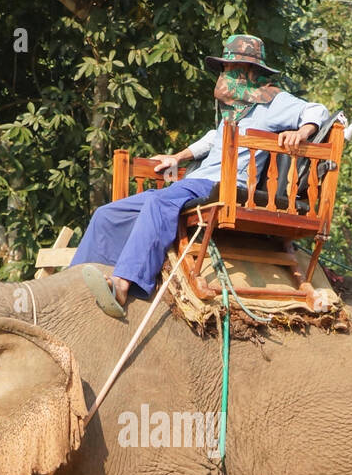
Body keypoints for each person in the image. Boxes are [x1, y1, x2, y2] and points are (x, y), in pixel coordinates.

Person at [73, 34, 330, 317]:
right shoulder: (236, 109)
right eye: (224, 68)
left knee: (158, 203)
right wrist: (177, 157)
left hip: (224, 185)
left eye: (231, 68)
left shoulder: (273, 101)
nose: (224, 75)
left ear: (251, 71)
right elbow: (212, 139)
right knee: (108, 214)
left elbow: (317, 110)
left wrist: (302, 132)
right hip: (195, 182)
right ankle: (76, 283)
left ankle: (123, 284)